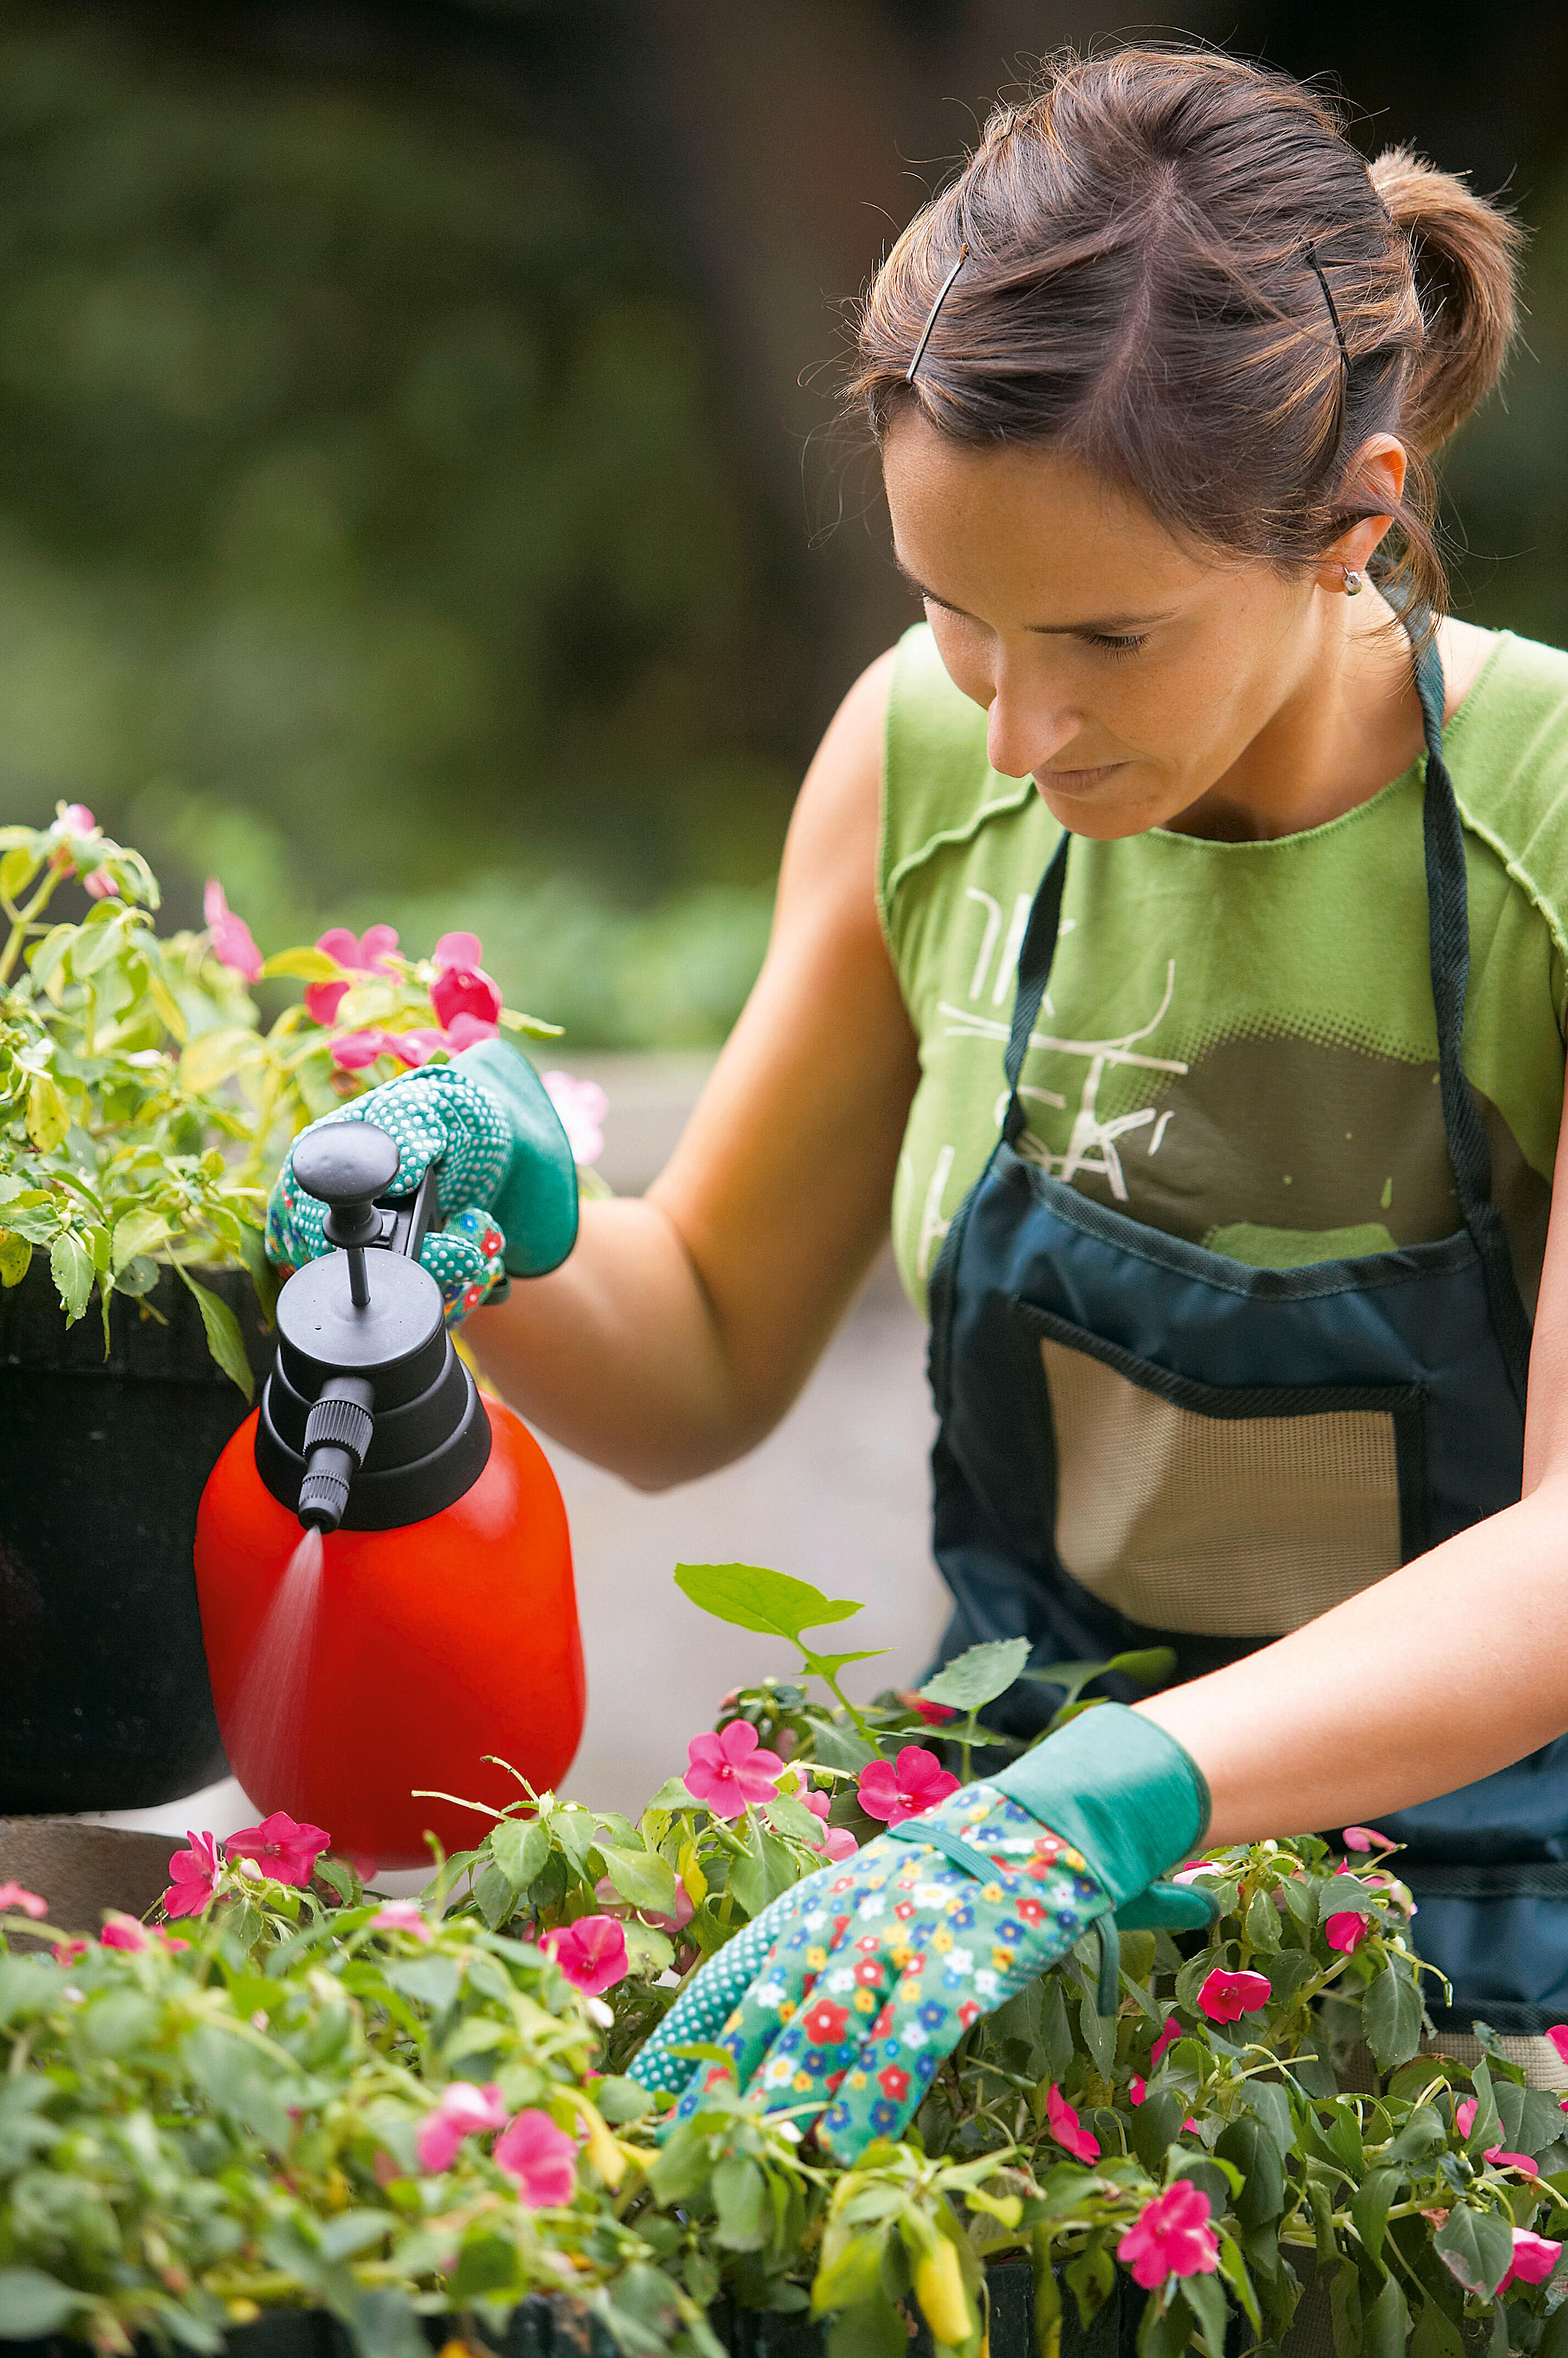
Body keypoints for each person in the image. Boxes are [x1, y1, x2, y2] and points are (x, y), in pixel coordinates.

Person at [268, 46, 1568, 2153]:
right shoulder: (912, 764)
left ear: (1357, 519)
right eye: (952, 611)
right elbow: (694, 1366)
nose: (1022, 724)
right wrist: (498, 1214)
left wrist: (1101, 1811)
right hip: (962, 1920)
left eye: (1110, 639)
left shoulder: (1548, 818)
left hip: (1503, 1952)